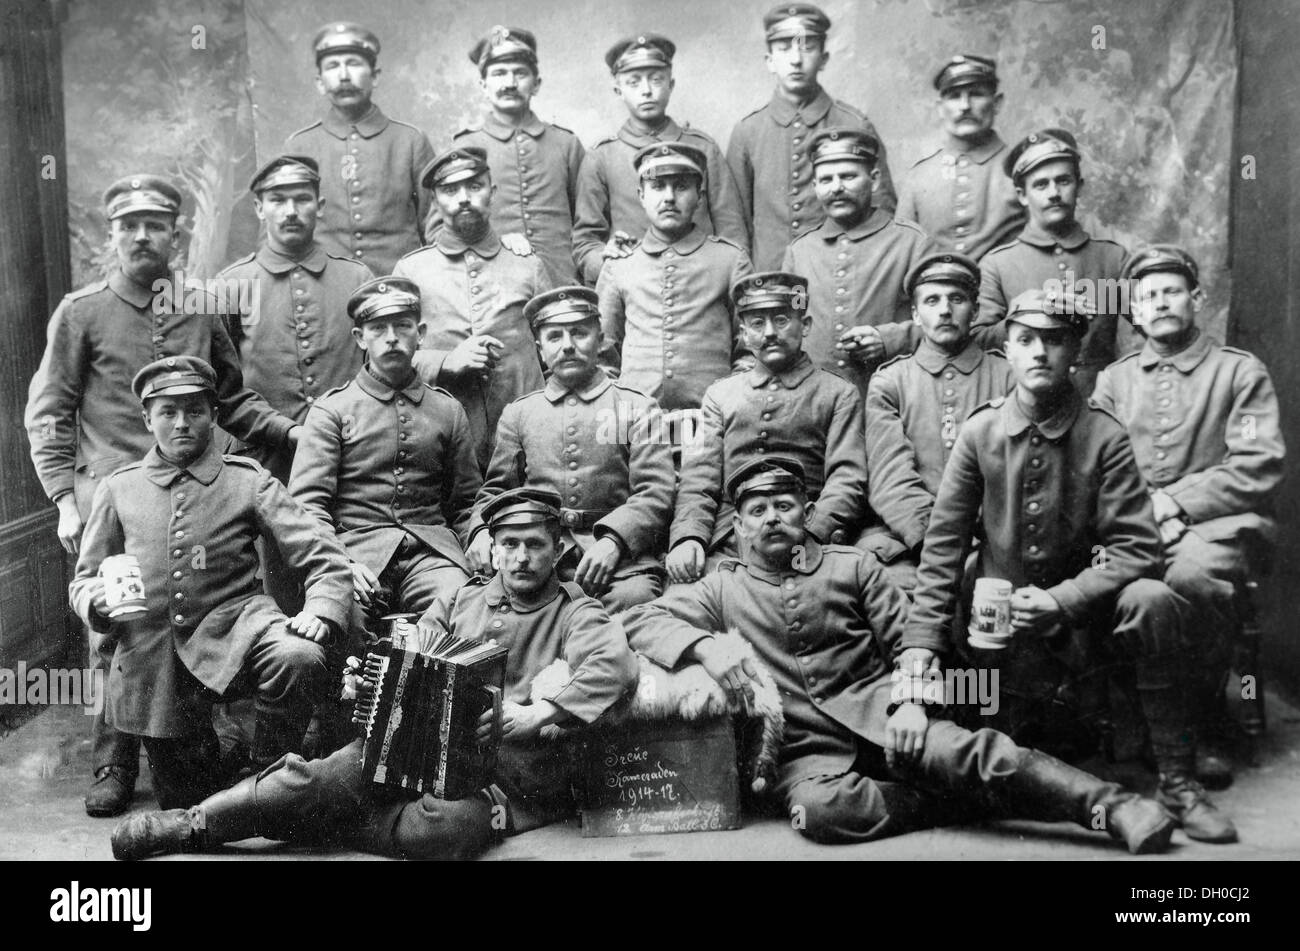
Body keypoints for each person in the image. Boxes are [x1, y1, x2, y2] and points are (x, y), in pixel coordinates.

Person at [621, 456, 1176, 853]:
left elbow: (913, 640)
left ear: (806, 511)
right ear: (738, 525)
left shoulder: (852, 565)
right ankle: (968, 804)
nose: (772, 518)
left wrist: (912, 704)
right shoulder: (721, 587)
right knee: (819, 815)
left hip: (885, 714)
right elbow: (638, 616)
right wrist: (704, 648)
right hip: (805, 753)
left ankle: (1114, 806)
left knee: (970, 754)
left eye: (785, 506)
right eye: (758, 509)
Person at [110, 488, 638, 862]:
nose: (521, 558)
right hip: (416, 752)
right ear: (494, 548)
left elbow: (616, 666)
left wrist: (537, 714)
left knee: (445, 831)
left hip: (505, 779)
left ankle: (318, 821)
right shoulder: (461, 598)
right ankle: (189, 826)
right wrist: (372, 685)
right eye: (510, 544)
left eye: (536, 545)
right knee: (320, 776)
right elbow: (413, 654)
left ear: (558, 549)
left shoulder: (578, 611)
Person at [902, 289, 1239, 843]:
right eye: (1026, 340)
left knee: (1152, 598)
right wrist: (915, 675)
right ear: (1006, 350)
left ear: (1076, 351)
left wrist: (1065, 599)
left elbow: (1139, 549)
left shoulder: (1104, 435)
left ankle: (1177, 782)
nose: (1040, 353)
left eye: (1055, 341)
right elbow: (940, 552)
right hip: (995, 633)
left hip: (1085, 627)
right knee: (993, 758)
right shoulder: (981, 432)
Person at [25, 174, 301, 818]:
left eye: (155, 224)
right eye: (129, 226)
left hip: (194, 484)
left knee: (198, 611)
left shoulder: (202, 304)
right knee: (113, 624)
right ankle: (113, 757)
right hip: (111, 496)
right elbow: (49, 410)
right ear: (112, 234)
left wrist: (292, 434)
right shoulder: (81, 310)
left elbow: (229, 398)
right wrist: (64, 497)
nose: (142, 236)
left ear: (174, 234)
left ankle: (203, 742)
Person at [68, 357, 351, 811]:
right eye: (167, 412)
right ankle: (222, 754)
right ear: (147, 418)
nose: (182, 423)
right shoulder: (119, 488)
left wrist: (320, 609)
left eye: (195, 411)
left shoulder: (249, 481)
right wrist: (96, 603)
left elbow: (323, 555)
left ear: (214, 416)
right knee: (183, 798)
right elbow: (84, 580)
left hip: (237, 629)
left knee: (297, 655)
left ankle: (269, 774)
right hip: (156, 651)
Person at [1092, 244, 1285, 785]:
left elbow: (1256, 464)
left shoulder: (1238, 372)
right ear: (1133, 310)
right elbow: (1101, 468)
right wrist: (1143, 514)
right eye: (1147, 295)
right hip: (1134, 523)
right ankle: (1139, 724)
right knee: (1097, 575)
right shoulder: (1115, 380)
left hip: (1218, 524)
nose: (1160, 303)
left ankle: (1198, 718)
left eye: (1171, 291)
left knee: (1192, 577)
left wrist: (1175, 503)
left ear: (1196, 298)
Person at [289, 276, 482, 633]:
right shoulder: (332, 410)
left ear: (420, 332)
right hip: (355, 553)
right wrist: (338, 561)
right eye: (378, 328)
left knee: (465, 607)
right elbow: (307, 507)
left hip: (431, 555)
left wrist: (481, 533)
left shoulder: (448, 410)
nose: (391, 337)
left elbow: (466, 502)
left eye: (402, 326)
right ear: (360, 338)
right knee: (342, 617)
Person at [466, 287, 674, 613]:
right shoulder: (520, 414)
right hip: (538, 557)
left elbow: (655, 491)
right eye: (554, 336)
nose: (567, 345)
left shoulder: (637, 407)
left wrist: (614, 541)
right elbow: (496, 491)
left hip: (620, 564)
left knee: (635, 604)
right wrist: (480, 530)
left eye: (579, 332)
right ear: (540, 349)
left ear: (601, 338)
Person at [666, 271, 866, 584]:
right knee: (682, 606)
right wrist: (688, 538)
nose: (770, 332)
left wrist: (812, 533)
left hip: (804, 539)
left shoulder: (838, 394)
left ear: (806, 325)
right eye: (758, 323)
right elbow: (698, 481)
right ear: (744, 334)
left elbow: (846, 479)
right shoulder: (721, 396)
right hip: (730, 540)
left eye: (782, 320)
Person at [217, 154, 373, 484]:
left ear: (319, 205)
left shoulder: (357, 278)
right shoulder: (230, 285)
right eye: (277, 200)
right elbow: (222, 390)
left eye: (302, 199)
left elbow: (377, 371)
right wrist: (284, 431)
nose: (290, 211)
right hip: (261, 460)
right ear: (259, 208)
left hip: (351, 454)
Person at [393, 146, 550, 470]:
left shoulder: (527, 265)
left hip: (525, 439)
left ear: (492, 193)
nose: (464, 198)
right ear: (435, 201)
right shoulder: (412, 271)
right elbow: (382, 361)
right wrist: (445, 362)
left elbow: (555, 354)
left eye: (474, 187)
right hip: (439, 439)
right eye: (450, 190)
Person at [864, 253, 1012, 590]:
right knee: (889, 592)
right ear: (915, 314)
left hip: (991, 538)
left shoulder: (1007, 377)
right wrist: (933, 538)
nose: (945, 310)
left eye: (957, 299)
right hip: (909, 540)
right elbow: (890, 478)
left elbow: (1013, 471)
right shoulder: (891, 382)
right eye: (932, 300)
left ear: (975, 311)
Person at [727, 3, 897, 270]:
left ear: (824, 58)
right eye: (784, 48)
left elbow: (882, 208)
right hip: (770, 279)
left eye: (807, 47)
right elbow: (734, 221)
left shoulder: (854, 124)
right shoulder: (748, 131)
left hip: (840, 273)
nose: (796, 59)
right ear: (770, 61)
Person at [572, 33, 747, 285]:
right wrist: (606, 261)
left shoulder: (702, 148)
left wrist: (728, 281)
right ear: (618, 90)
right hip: (633, 288)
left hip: (701, 282)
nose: (646, 91)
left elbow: (732, 231)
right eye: (633, 82)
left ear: (671, 84)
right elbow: (585, 240)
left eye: (656, 80)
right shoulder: (601, 157)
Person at [595, 142, 752, 423]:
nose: (669, 197)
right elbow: (600, 354)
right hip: (635, 423)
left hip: (711, 420)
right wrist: (617, 411)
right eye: (657, 187)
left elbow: (750, 349)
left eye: (681, 187)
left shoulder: (730, 260)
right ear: (641, 195)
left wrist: (728, 404)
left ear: (699, 196)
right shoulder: (620, 265)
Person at [975, 129, 1132, 396]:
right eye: (1041, 184)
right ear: (1022, 195)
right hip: (1029, 403)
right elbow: (979, 339)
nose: (1054, 193)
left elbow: (1142, 336)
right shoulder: (997, 265)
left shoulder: (1113, 258)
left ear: (1079, 186)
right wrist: (1039, 309)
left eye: (1063, 181)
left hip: (1102, 403)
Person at [782, 128, 936, 394]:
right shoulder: (800, 251)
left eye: (848, 176)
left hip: (890, 393)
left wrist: (889, 339)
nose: (837, 188)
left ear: (874, 180)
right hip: (814, 398)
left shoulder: (911, 243)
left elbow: (941, 320)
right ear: (815, 187)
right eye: (826, 179)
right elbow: (791, 318)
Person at [286, 22, 435, 274]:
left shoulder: (410, 141)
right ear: (320, 82)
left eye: (354, 63)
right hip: (325, 287)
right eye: (333, 66)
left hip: (400, 288)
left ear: (375, 76)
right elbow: (277, 234)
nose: (344, 75)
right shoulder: (299, 146)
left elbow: (436, 225)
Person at [448, 25, 586, 285]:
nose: (509, 84)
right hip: (492, 285)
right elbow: (441, 227)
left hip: (563, 284)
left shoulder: (566, 144)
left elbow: (588, 224)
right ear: (483, 85)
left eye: (520, 73)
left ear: (536, 84)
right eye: (499, 73)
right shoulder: (465, 147)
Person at [896, 54, 1024, 261]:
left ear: (997, 103)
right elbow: (901, 254)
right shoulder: (918, 177)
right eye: (954, 96)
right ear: (940, 108)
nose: (965, 105)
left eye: (976, 94)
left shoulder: (1022, 168)